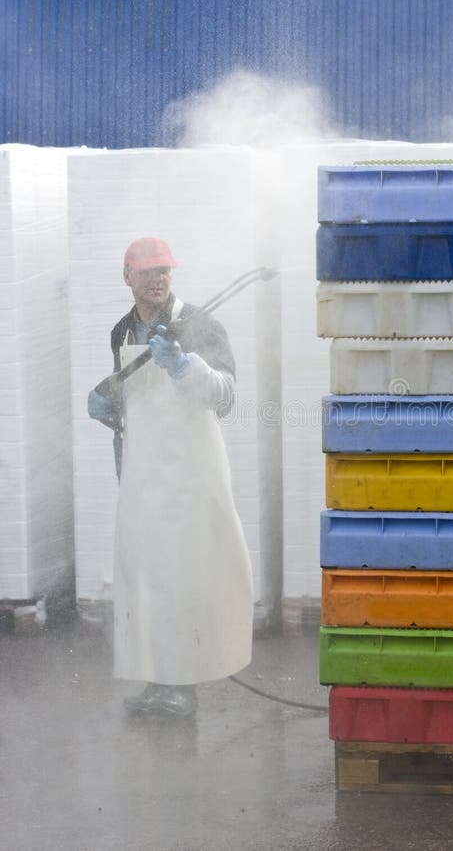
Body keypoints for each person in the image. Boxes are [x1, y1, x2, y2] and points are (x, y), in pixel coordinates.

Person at [87, 237, 253, 717]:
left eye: (165, 270)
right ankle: (159, 683)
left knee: (183, 578)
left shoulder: (198, 325)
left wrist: (185, 367)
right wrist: (106, 408)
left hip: (190, 477)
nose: (158, 279)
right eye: (148, 271)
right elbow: (130, 403)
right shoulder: (121, 332)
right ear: (128, 277)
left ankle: (184, 686)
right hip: (144, 477)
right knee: (146, 578)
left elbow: (224, 396)